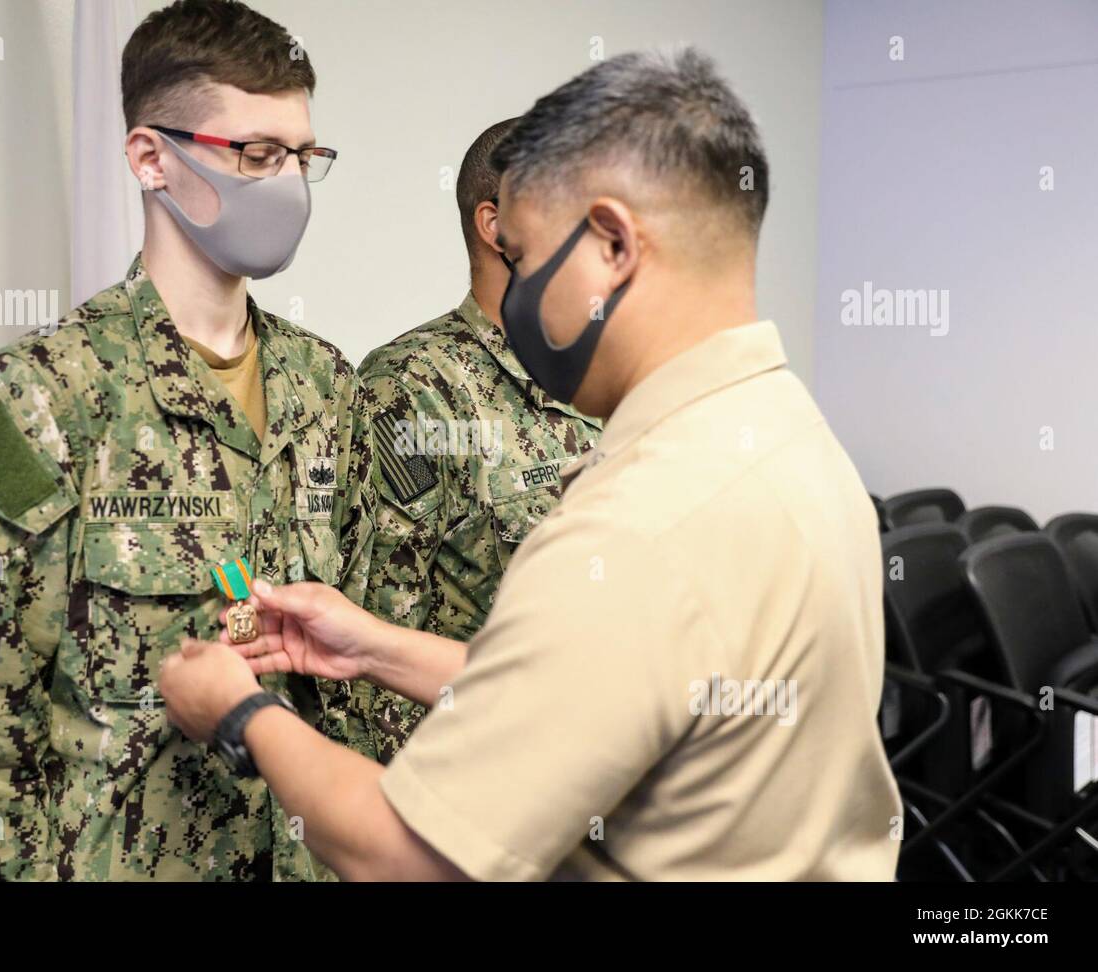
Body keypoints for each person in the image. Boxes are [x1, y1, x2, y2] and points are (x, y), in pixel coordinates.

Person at [160, 47, 902, 881]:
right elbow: (612, 690)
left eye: (528, 255)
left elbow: (403, 858)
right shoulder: (786, 436)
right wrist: (375, 648)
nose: (519, 296)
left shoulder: (639, 523)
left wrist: (238, 712)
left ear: (612, 245)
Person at [0, 0, 376, 881]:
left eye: (303, 157)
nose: (289, 185)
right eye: (258, 155)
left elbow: (359, 680)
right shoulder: (40, 397)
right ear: (152, 157)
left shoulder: (325, 385)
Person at [358, 118, 600, 762]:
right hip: (483, 785)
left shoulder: (606, 378)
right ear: (496, 228)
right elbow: (378, 645)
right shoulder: (413, 387)